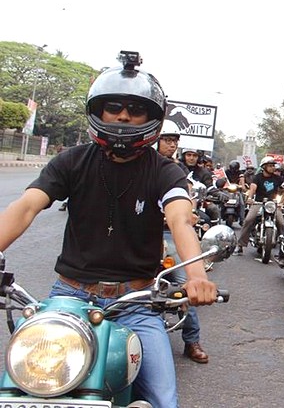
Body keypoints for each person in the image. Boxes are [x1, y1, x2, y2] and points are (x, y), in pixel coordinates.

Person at [0, 51, 217, 408]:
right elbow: (26, 207)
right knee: (24, 386)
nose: (123, 115)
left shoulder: (165, 172)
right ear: (98, 112)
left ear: (153, 120)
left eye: (136, 109)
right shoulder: (71, 161)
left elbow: (180, 219)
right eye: (113, 106)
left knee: (164, 399)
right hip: (68, 296)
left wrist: (195, 275)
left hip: (135, 303)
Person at [155, 123, 210, 364]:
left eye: (175, 140)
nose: (172, 144)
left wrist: (191, 213)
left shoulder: (176, 170)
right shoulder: (139, 166)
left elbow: (187, 201)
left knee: (184, 284)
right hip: (138, 235)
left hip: (169, 234)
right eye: (167, 139)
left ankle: (192, 340)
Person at [233, 156, 284, 255]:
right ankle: (240, 245)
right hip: (259, 203)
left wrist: (281, 202)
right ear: (264, 167)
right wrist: (249, 198)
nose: (272, 168)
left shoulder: (278, 178)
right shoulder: (257, 177)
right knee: (248, 220)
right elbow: (253, 188)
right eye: (270, 166)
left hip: (272, 205)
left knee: (282, 223)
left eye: (273, 166)